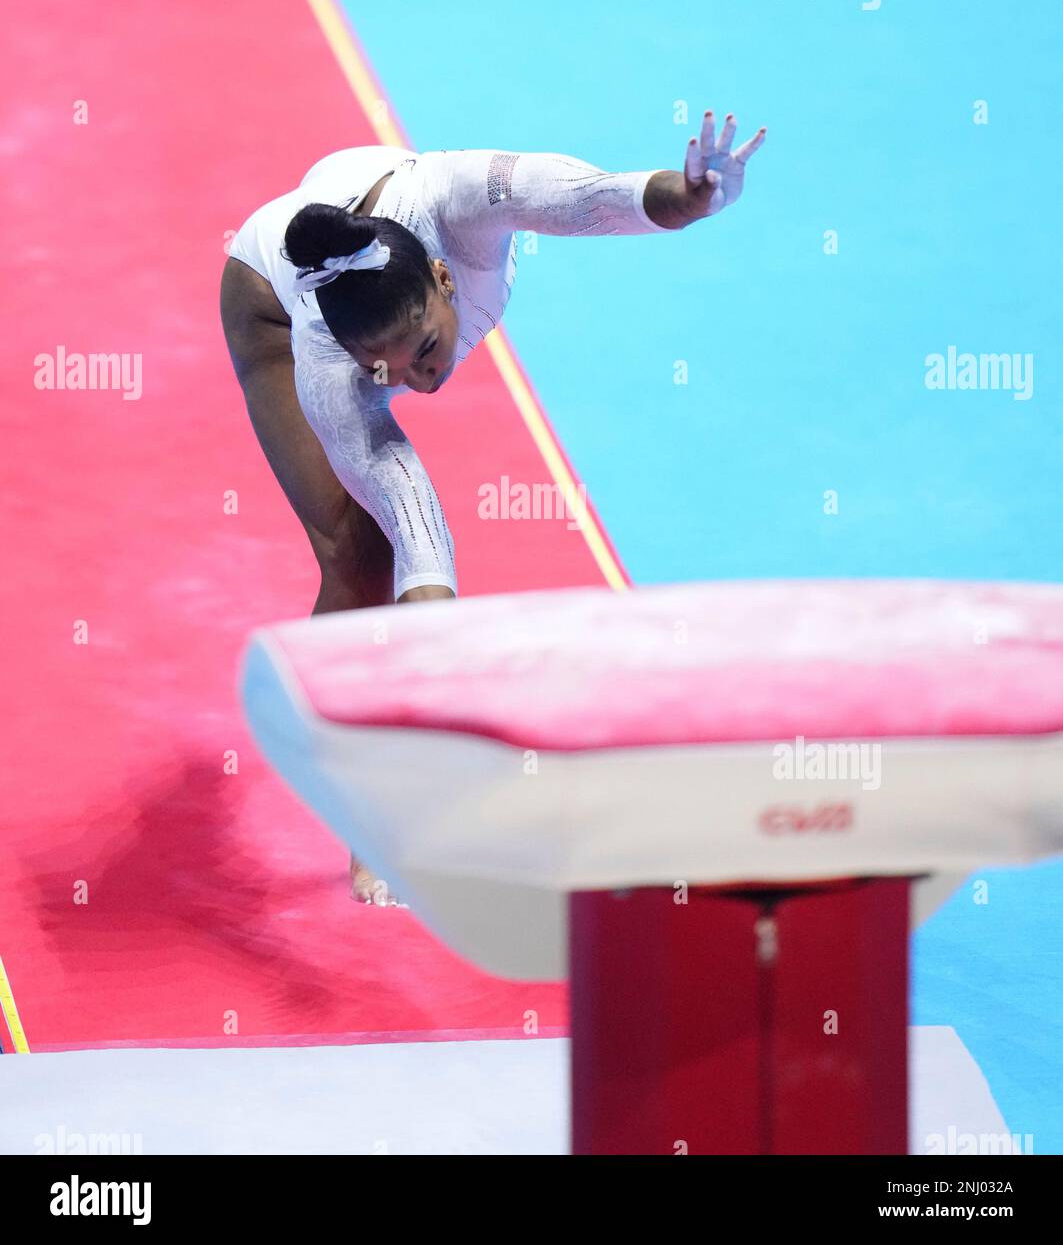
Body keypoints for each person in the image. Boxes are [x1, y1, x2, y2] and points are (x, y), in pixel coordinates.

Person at [220, 111, 766, 900]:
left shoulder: (462, 201)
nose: (417, 381)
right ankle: (356, 793)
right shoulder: (327, 363)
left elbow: (593, 197)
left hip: (354, 208)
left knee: (396, 579)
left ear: (445, 280)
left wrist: (691, 196)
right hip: (265, 297)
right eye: (389, 371)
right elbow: (417, 526)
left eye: (426, 352)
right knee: (361, 551)